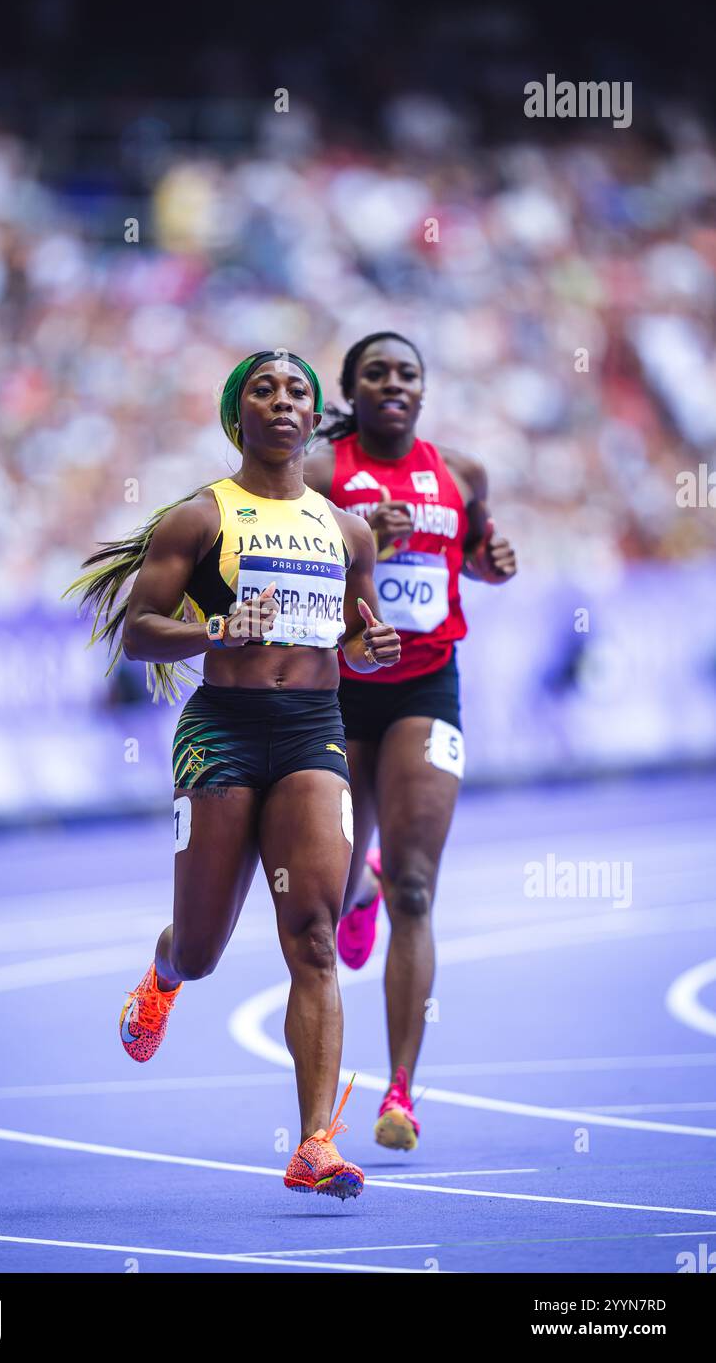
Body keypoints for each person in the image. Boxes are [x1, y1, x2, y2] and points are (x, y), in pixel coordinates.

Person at [66, 350, 401, 1198]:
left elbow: (353, 640)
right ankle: (165, 972)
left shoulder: (348, 529)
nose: (283, 401)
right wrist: (213, 629)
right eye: (264, 389)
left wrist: (371, 648)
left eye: (297, 391)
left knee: (315, 939)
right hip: (221, 734)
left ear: (312, 414)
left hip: (311, 736)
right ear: (236, 414)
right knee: (206, 946)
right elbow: (140, 631)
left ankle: (314, 1143)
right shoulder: (198, 518)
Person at [303, 331, 517, 1152]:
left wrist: (492, 560)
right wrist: (365, 543)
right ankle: (360, 890)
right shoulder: (322, 475)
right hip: (343, 692)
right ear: (352, 393)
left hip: (429, 687)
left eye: (408, 373)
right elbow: (289, 578)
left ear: (423, 390)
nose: (394, 383)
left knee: (419, 891)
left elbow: (480, 557)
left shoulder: (461, 474)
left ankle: (400, 1093)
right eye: (376, 374)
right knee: (334, 890)